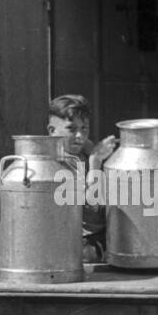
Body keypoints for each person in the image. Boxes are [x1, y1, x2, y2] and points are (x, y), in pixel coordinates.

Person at [47, 94, 117, 264]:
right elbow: (92, 213)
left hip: (102, 239)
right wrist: (95, 164)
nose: (80, 135)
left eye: (84, 128)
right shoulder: (50, 165)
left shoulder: (87, 153)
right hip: (70, 247)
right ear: (52, 131)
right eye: (71, 129)